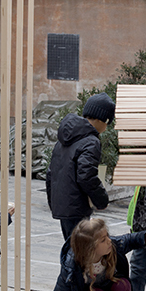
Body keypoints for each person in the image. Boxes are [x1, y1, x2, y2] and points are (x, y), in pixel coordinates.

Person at [50, 217, 146, 291]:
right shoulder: (72, 266)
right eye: (103, 240)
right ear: (90, 249)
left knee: (123, 285)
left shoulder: (111, 247)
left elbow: (127, 240)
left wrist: (145, 236)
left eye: (108, 236)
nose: (109, 241)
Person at [45, 93, 115, 243]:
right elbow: (86, 175)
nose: (106, 127)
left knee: (71, 250)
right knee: (79, 254)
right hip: (77, 206)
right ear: (101, 119)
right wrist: (101, 200)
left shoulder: (65, 138)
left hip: (63, 206)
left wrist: (54, 203)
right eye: (108, 122)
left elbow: (51, 172)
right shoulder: (90, 141)